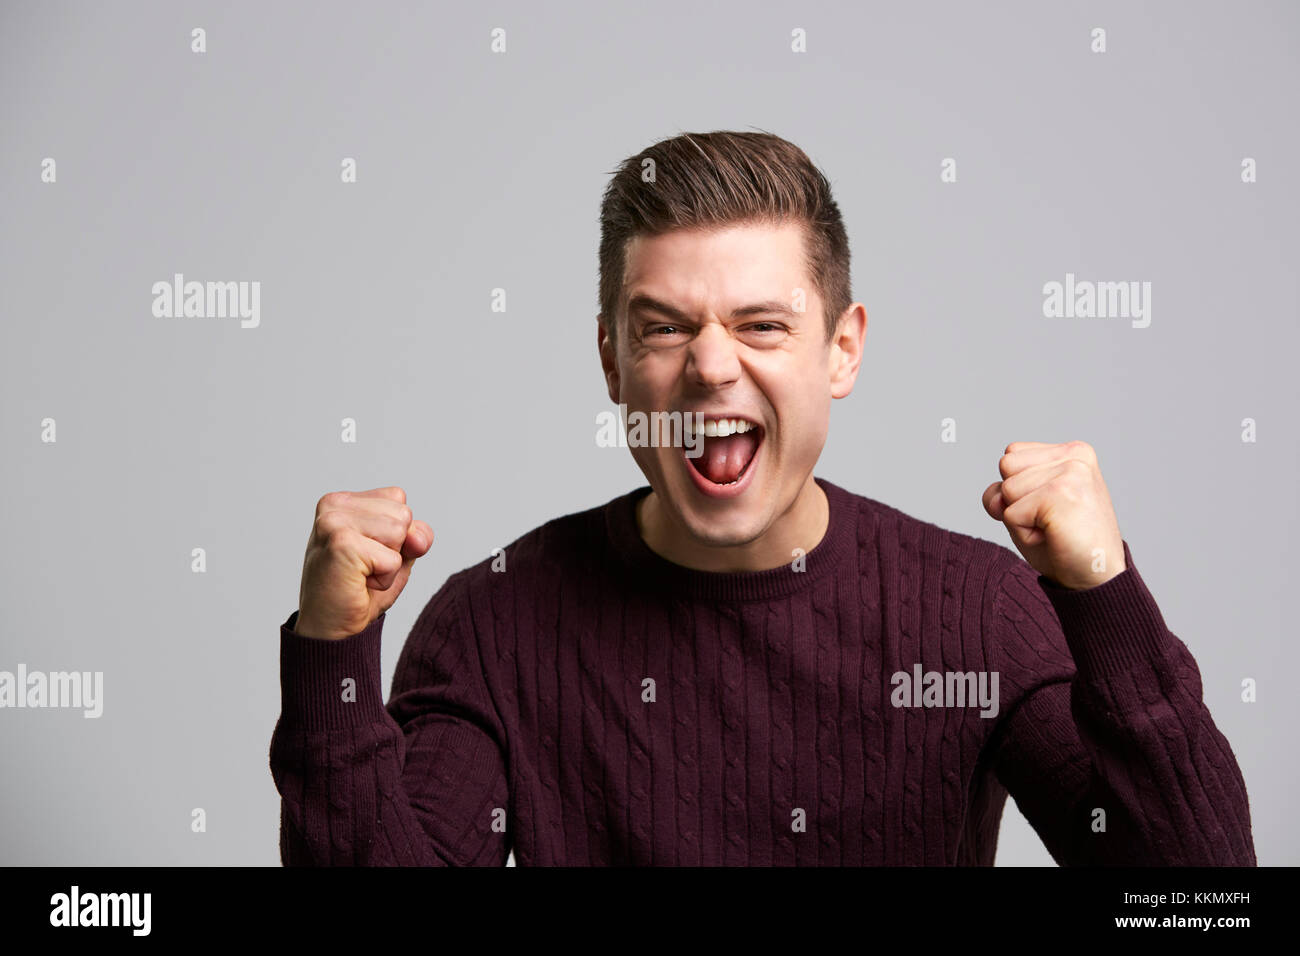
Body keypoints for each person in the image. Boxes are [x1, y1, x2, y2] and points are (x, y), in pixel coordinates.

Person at [268, 130, 1255, 866]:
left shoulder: (975, 615)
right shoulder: (491, 626)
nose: (708, 366)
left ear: (843, 348)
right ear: (611, 358)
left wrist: (1104, 598)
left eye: (761, 325)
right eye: (661, 327)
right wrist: (332, 658)